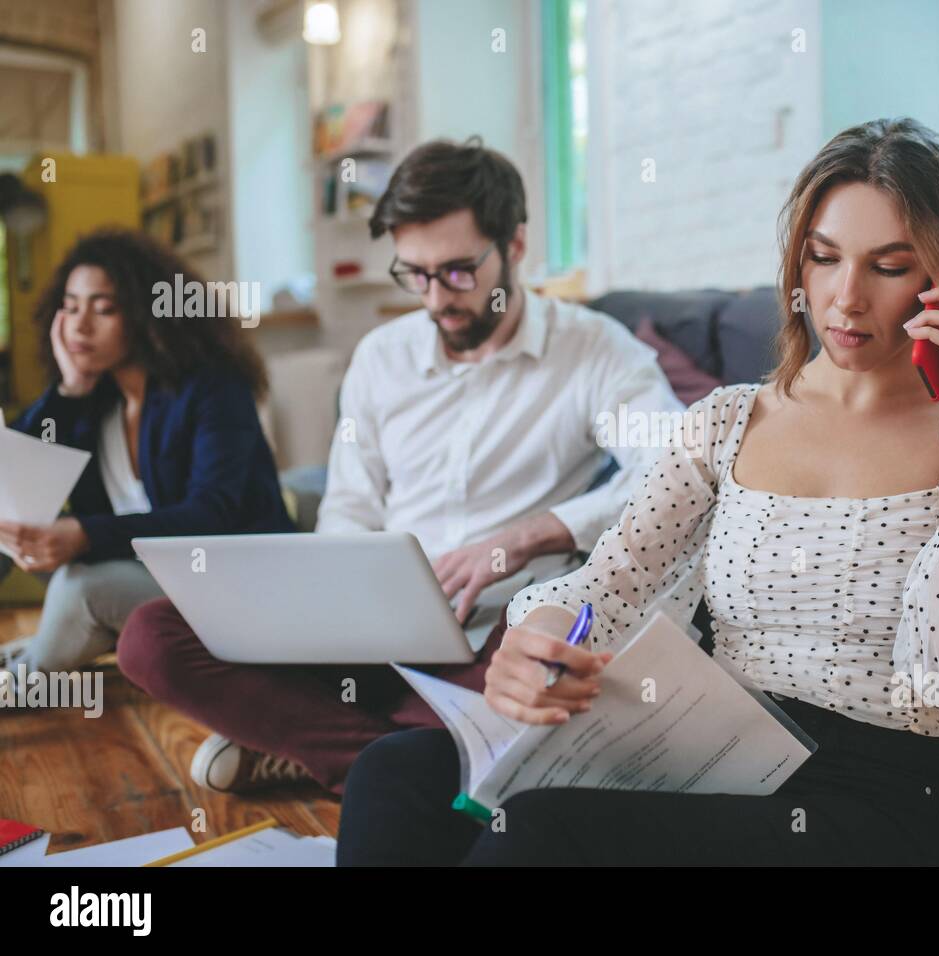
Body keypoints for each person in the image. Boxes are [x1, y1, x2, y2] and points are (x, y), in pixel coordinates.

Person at [336, 117, 939, 866]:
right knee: (395, 774)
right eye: (823, 258)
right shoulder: (726, 421)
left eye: (888, 266)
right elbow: (614, 579)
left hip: (866, 795)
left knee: (537, 836)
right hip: (712, 751)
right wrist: (540, 638)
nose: (845, 300)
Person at [116, 136, 683, 795]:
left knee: (545, 672)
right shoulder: (380, 358)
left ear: (516, 246)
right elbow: (350, 506)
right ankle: (419, 765)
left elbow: (675, 471)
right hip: (372, 636)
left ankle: (331, 749)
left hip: (493, 640)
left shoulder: (593, 351)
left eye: (458, 271)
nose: (435, 296)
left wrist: (529, 535)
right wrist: (331, 600)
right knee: (151, 636)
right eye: (414, 273)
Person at [0, 229, 292, 679]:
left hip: (225, 582)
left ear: (146, 315)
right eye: (71, 306)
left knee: (82, 586)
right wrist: (69, 389)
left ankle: (25, 676)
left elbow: (212, 514)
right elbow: (13, 480)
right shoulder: (94, 396)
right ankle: (43, 654)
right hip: (137, 577)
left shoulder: (212, 387)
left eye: (104, 309)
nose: (80, 325)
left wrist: (85, 534)